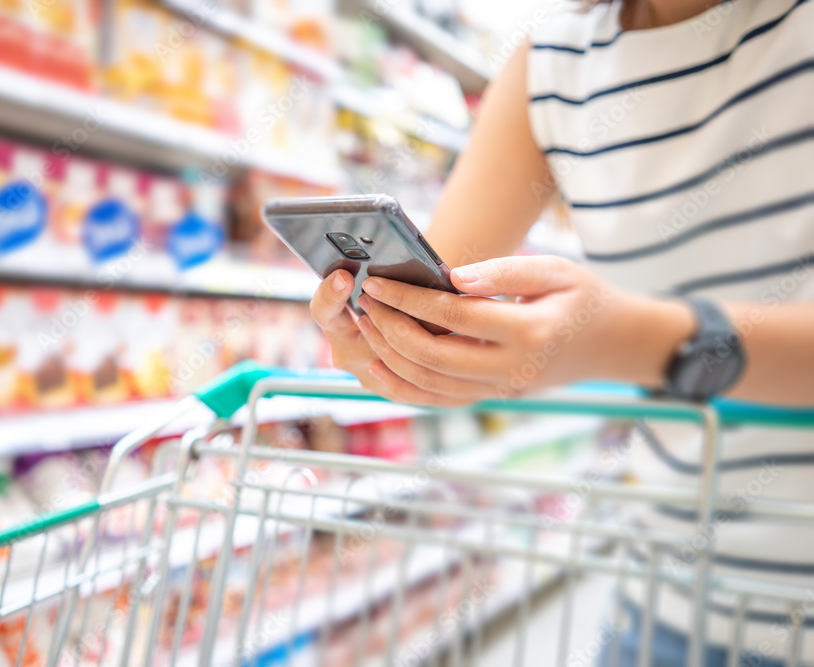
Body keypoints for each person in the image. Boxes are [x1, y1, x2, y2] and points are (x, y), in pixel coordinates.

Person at [308, 0, 814, 664]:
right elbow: (440, 306)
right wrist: (393, 343)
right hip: (668, 590)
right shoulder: (553, 66)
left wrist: (637, 340)